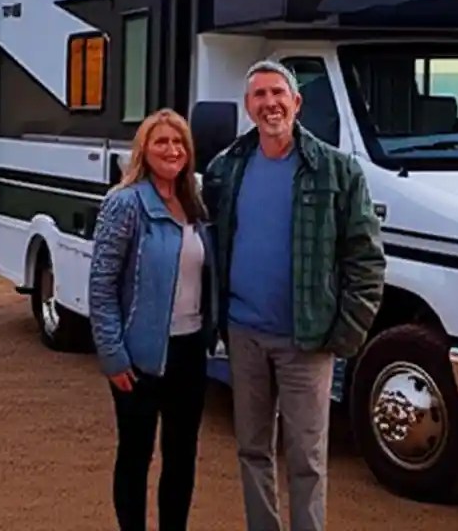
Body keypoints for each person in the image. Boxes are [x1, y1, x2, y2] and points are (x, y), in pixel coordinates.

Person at [202, 59, 386, 531]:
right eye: (259, 96)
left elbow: (365, 260)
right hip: (244, 334)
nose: (270, 104)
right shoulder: (226, 169)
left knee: (306, 457)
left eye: (278, 94)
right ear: (248, 106)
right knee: (252, 449)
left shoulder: (337, 171)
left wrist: (344, 334)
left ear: (297, 102)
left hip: (308, 340)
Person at [88, 108, 216, 531]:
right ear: (144, 149)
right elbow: (102, 285)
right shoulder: (124, 203)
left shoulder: (195, 203)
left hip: (190, 350)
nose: (172, 149)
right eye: (161, 141)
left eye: (179, 142)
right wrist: (112, 355)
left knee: (181, 457)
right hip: (139, 356)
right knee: (136, 456)